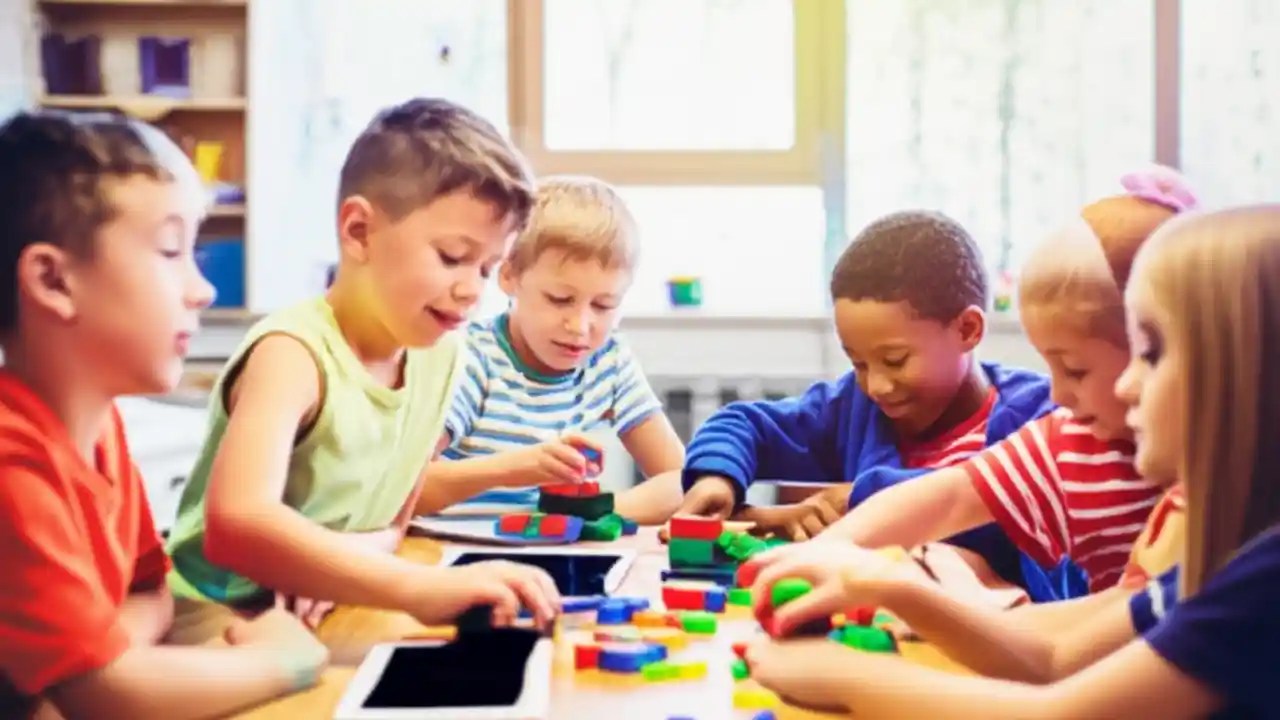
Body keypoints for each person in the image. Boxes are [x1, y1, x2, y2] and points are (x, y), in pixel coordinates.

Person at [744, 205, 1280, 719]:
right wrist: (883, 585)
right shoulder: (1217, 562)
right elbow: (1056, 655)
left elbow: (1062, 710)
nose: (1128, 382)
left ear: (1247, 378)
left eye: (1153, 353)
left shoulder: (1264, 574)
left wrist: (845, 676)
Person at [164, 98, 560, 644]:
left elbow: (394, 525)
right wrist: (413, 587)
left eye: (489, 268)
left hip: (327, 602)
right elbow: (236, 526)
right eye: (451, 256)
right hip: (213, 612)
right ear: (358, 232)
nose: (473, 289)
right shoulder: (293, 354)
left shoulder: (442, 355)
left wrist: (335, 567)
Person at [0, 111, 330, 719]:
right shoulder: (12, 464)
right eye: (171, 250)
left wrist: (90, 667)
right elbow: (112, 695)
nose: (201, 289)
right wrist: (288, 660)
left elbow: (150, 591)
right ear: (53, 279)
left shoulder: (100, 427)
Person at [676, 210, 1054, 591]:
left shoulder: (1040, 417)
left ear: (967, 330)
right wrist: (717, 478)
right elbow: (743, 424)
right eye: (857, 362)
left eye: (895, 360)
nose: (876, 385)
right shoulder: (854, 409)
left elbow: (997, 510)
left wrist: (862, 498)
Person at [416, 176, 685, 523]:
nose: (580, 326)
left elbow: (684, 479)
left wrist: (592, 513)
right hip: (454, 560)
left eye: (604, 305)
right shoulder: (472, 358)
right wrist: (514, 468)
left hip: (551, 557)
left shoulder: (608, 359)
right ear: (510, 276)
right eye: (560, 300)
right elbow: (404, 488)